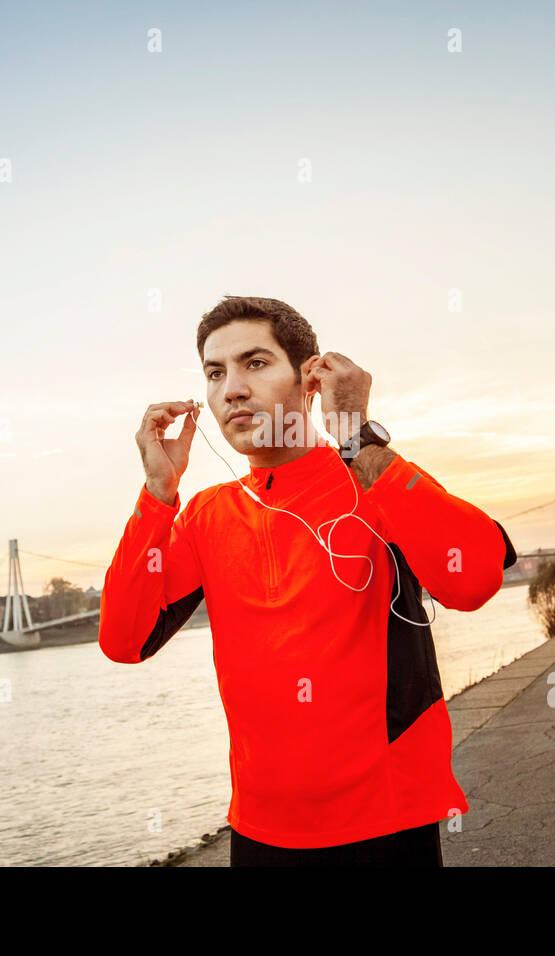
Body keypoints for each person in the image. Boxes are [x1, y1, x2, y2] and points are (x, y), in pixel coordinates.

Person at [99, 296, 517, 867]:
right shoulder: (204, 515)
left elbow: (473, 578)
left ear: (311, 379)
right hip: (259, 835)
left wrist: (357, 440)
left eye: (255, 363)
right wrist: (157, 494)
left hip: (387, 826)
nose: (231, 389)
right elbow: (125, 640)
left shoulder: (372, 478)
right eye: (215, 373)